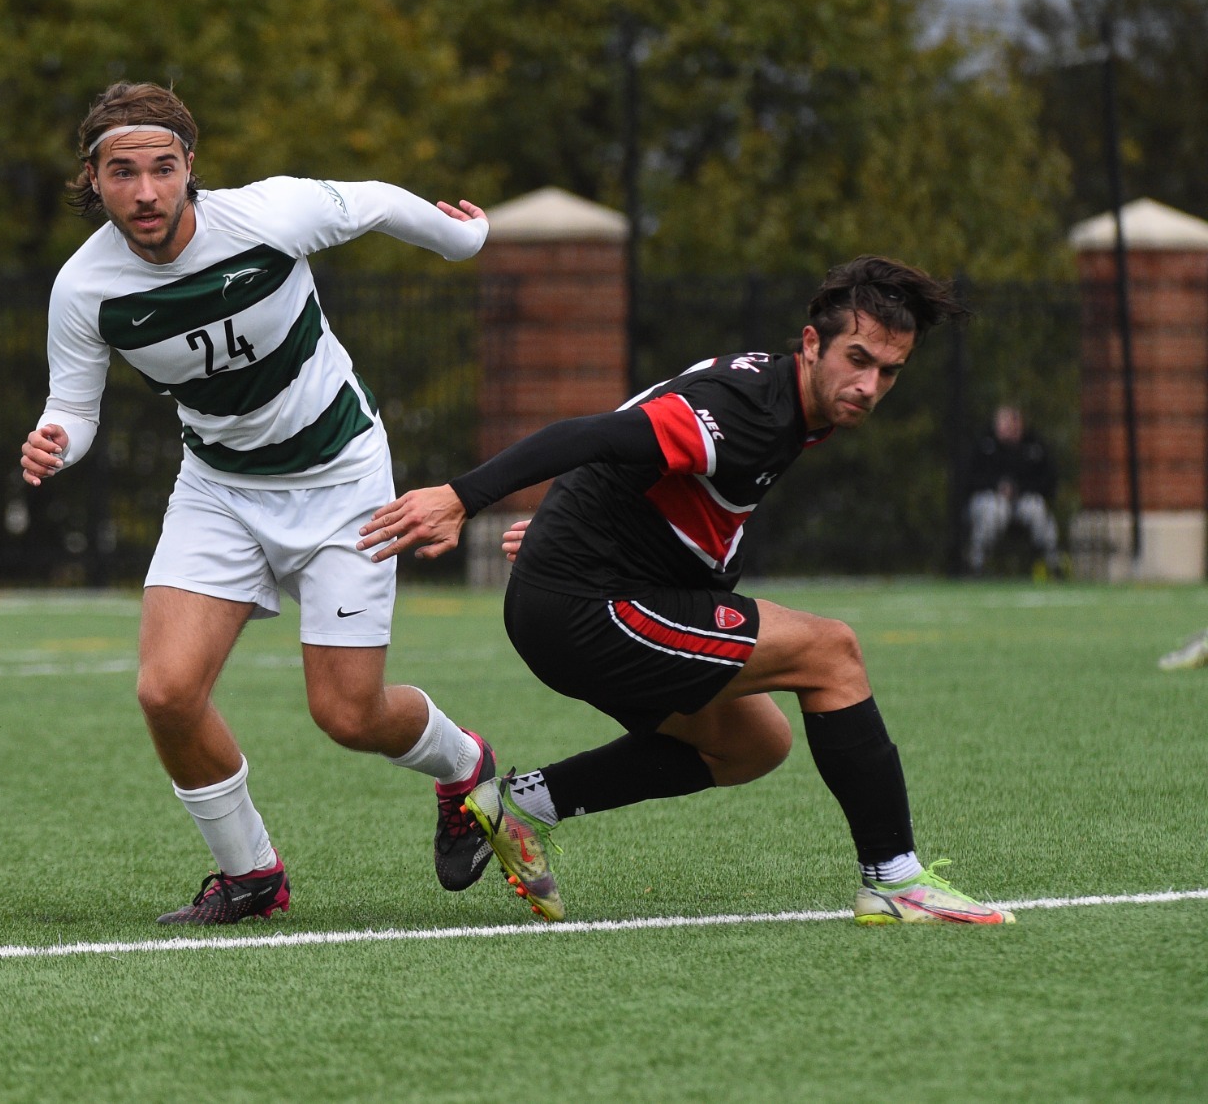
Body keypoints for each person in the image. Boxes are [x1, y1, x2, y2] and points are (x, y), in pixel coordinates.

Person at [360, 256, 1015, 925]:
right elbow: (593, 433)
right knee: (832, 652)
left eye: (889, 371)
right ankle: (895, 879)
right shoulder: (746, 410)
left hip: (581, 591)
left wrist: (572, 523)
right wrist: (461, 496)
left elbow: (644, 467)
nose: (870, 384)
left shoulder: (792, 405)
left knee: (755, 743)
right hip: (584, 608)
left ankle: (525, 805)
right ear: (812, 344)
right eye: (858, 358)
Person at [20, 82, 500, 924]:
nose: (144, 192)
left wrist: (462, 240)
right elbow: (76, 408)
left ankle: (465, 765)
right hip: (220, 491)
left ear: (190, 168)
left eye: (162, 169)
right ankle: (251, 876)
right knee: (166, 692)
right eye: (121, 172)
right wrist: (57, 439)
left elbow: (377, 202)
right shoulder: (84, 288)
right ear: (92, 180)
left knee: (347, 713)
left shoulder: (271, 216)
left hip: (342, 482)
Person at [964, 404, 1061, 577]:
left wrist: (1019, 488)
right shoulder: (985, 445)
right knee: (993, 511)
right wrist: (997, 486)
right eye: (1006, 423)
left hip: (1022, 500)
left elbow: (1048, 480)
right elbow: (968, 479)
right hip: (991, 499)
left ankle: (1053, 564)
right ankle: (977, 565)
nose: (1011, 428)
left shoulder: (1032, 446)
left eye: (1014, 423)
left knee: (1037, 508)